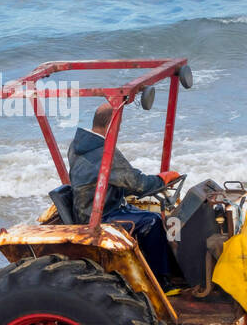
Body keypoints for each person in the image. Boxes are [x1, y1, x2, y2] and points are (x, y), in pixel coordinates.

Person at [67, 103, 179, 282]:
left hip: (92, 205)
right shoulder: (103, 152)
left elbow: (106, 177)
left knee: (154, 213)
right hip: (100, 215)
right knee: (153, 221)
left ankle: (155, 263)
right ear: (112, 125)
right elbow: (139, 183)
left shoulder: (78, 144)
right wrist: (162, 179)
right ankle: (161, 280)